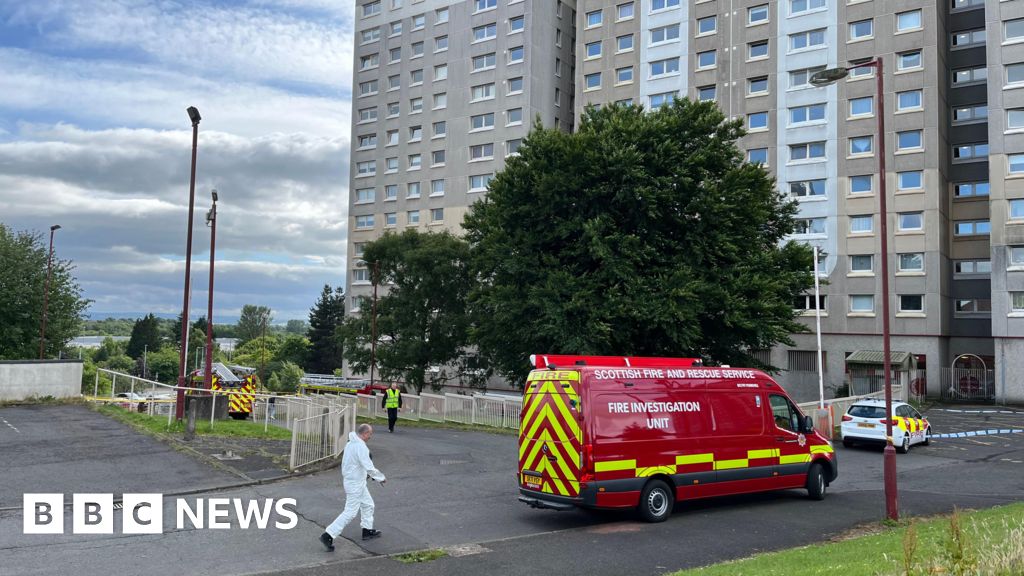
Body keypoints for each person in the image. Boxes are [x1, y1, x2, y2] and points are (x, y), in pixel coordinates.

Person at [319, 423, 385, 551]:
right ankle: (328, 535)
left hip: (355, 482)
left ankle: (367, 530)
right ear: (365, 434)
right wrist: (381, 477)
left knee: (368, 505)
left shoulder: (350, 444)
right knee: (350, 512)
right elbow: (368, 466)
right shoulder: (360, 447)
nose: (370, 437)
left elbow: (354, 464)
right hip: (355, 484)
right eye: (370, 434)